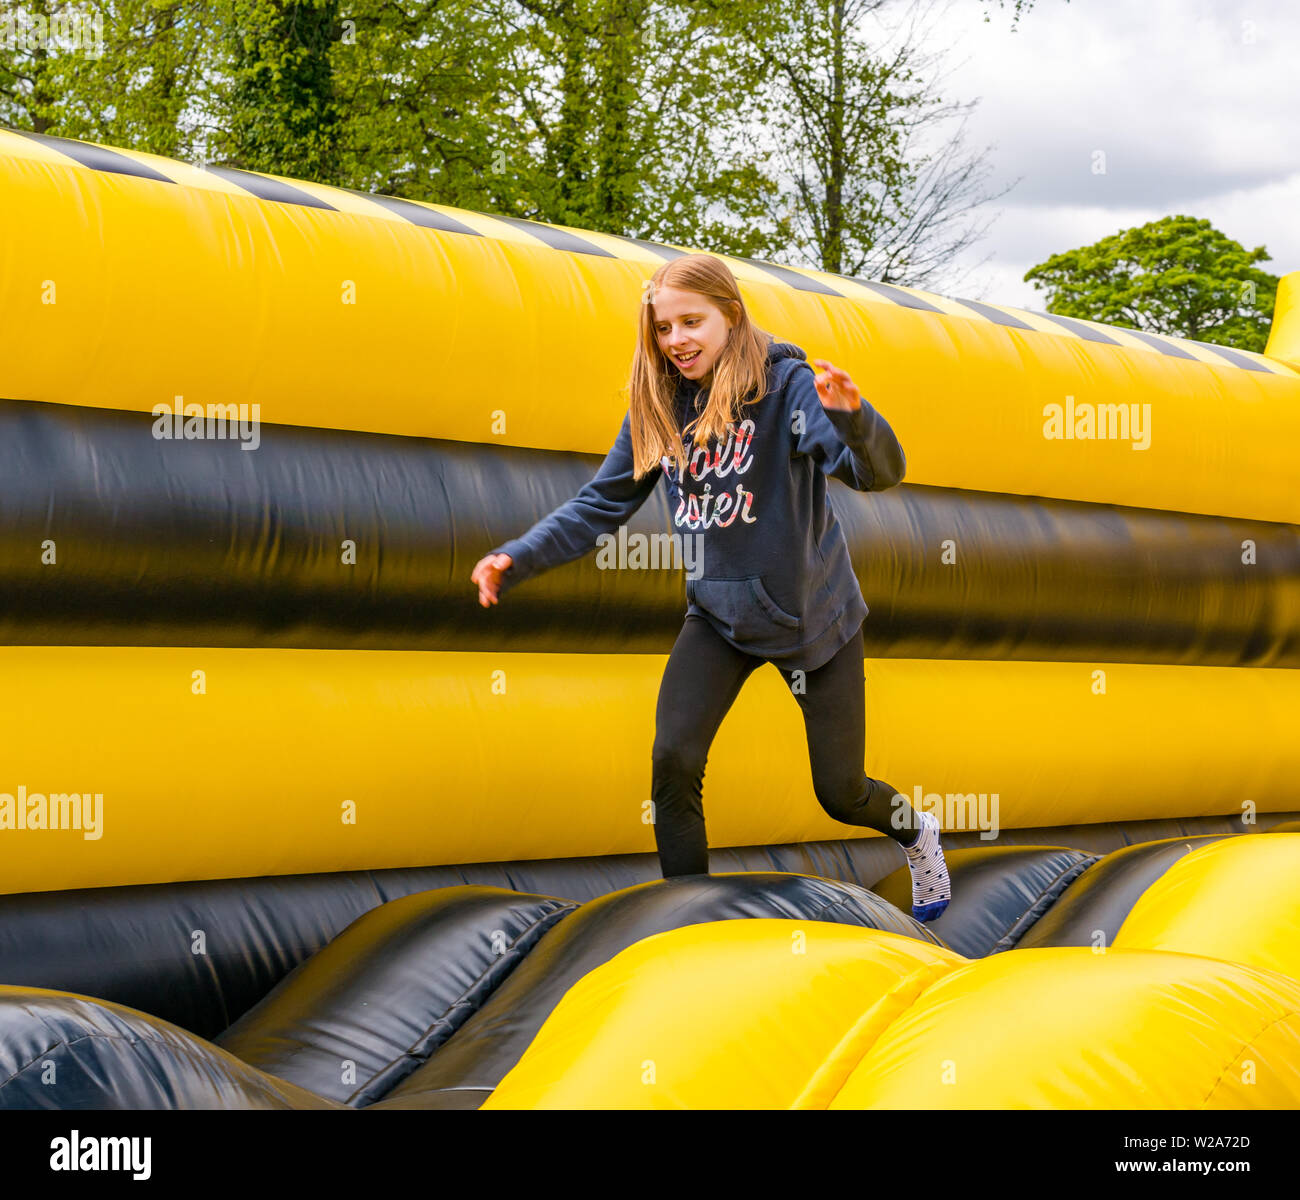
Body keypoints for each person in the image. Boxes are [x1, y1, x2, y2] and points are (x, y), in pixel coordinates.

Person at [471, 253, 950, 922]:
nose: (677, 342)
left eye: (691, 322)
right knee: (673, 760)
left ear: (730, 314)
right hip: (719, 617)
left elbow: (876, 474)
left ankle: (917, 832)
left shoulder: (786, 387)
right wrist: (515, 558)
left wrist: (854, 418)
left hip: (814, 618)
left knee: (841, 792)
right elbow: (599, 504)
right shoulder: (660, 404)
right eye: (663, 329)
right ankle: (687, 919)